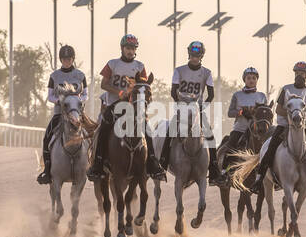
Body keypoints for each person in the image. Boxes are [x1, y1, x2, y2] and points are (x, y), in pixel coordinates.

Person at [87, 34, 166, 181]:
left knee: (147, 128)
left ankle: (153, 164)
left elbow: (144, 85)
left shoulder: (140, 66)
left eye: (132, 48)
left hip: (133, 105)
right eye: (127, 48)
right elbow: (103, 84)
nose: (130, 51)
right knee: (104, 127)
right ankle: (97, 164)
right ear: (122, 48)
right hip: (114, 104)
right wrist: (119, 92)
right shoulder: (112, 64)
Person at [244, 61, 306, 200]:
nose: (299, 75)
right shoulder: (286, 89)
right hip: (284, 125)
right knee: (270, 148)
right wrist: (291, 114)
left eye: (302, 73)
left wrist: (302, 115)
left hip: (301, 127)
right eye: (297, 73)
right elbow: (278, 109)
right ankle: (259, 179)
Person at [159, 40, 223, 185]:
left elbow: (211, 95)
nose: (194, 58)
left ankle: (214, 171)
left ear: (201, 56)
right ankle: (162, 165)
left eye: (197, 56)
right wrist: (180, 104)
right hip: (182, 107)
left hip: (197, 109)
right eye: (192, 55)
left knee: (210, 135)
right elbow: (173, 91)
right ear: (189, 55)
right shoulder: (179, 70)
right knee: (170, 132)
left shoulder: (207, 73)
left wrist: (201, 107)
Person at [36, 45, 88, 185]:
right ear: (61, 60)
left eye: (69, 59)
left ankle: (92, 166)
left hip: (77, 113)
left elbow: (85, 94)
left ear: (73, 59)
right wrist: (59, 101)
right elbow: (50, 96)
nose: (67, 61)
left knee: (93, 135)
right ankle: (47, 170)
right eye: (64, 59)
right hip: (60, 113)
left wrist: (77, 101)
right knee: (47, 137)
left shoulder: (80, 75)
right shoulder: (54, 76)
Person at [214, 66, 267, 186]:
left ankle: (271, 174)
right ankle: (224, 172)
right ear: (244, 80)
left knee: (270, 148)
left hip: (257, 131)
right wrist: (241, 112)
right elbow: (230, 113)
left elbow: (266, 112)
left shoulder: (262, 96)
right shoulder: (237, 95)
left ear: (257, 80)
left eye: (254, 78)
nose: (251, 80)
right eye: (249, 78)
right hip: (240, 128)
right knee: (230, 147)